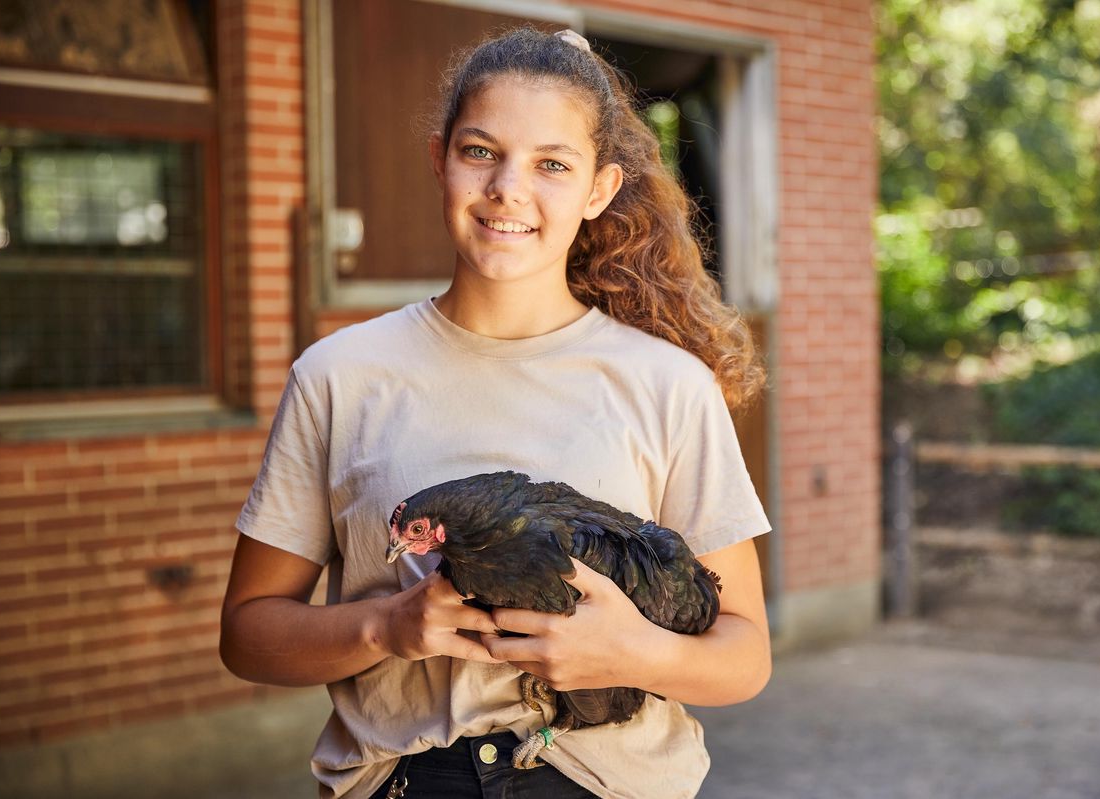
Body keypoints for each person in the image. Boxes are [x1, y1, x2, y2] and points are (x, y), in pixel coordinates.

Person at [220, 26, 772, 799]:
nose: (509, 187)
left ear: (599, 189)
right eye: (481, 151)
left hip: (606, 777)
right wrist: (386, 626)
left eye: (553, 164)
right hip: (406, 779)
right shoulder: (339, 376)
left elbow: (745, 655)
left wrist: (629, 651)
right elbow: (248, 634)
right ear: (440, 160)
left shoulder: (670, 385)